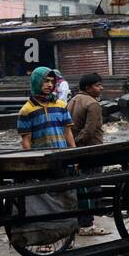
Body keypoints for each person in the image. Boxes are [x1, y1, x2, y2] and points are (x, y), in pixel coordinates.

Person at [69, 73, 110, 235]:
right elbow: (89, 131)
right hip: (91, 150)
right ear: (88, 88)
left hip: (75, 151)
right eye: (98, 85)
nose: (101, 88)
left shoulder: (72, 100)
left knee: (80, 187)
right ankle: (87, 225)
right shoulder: (93, 104)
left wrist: (72, 145)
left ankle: (80, 222)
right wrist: (78, 143)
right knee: (92, 187)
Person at [17, 67, 75, 152]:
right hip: (42, 159)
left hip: (63, 156)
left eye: (52, 81)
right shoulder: (26, 110)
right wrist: (30, 161)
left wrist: (74, 154)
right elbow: (26, 140)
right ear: (36, 82)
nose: (50, 85)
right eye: (46, 81)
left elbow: (67, 132)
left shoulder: (61, 105)